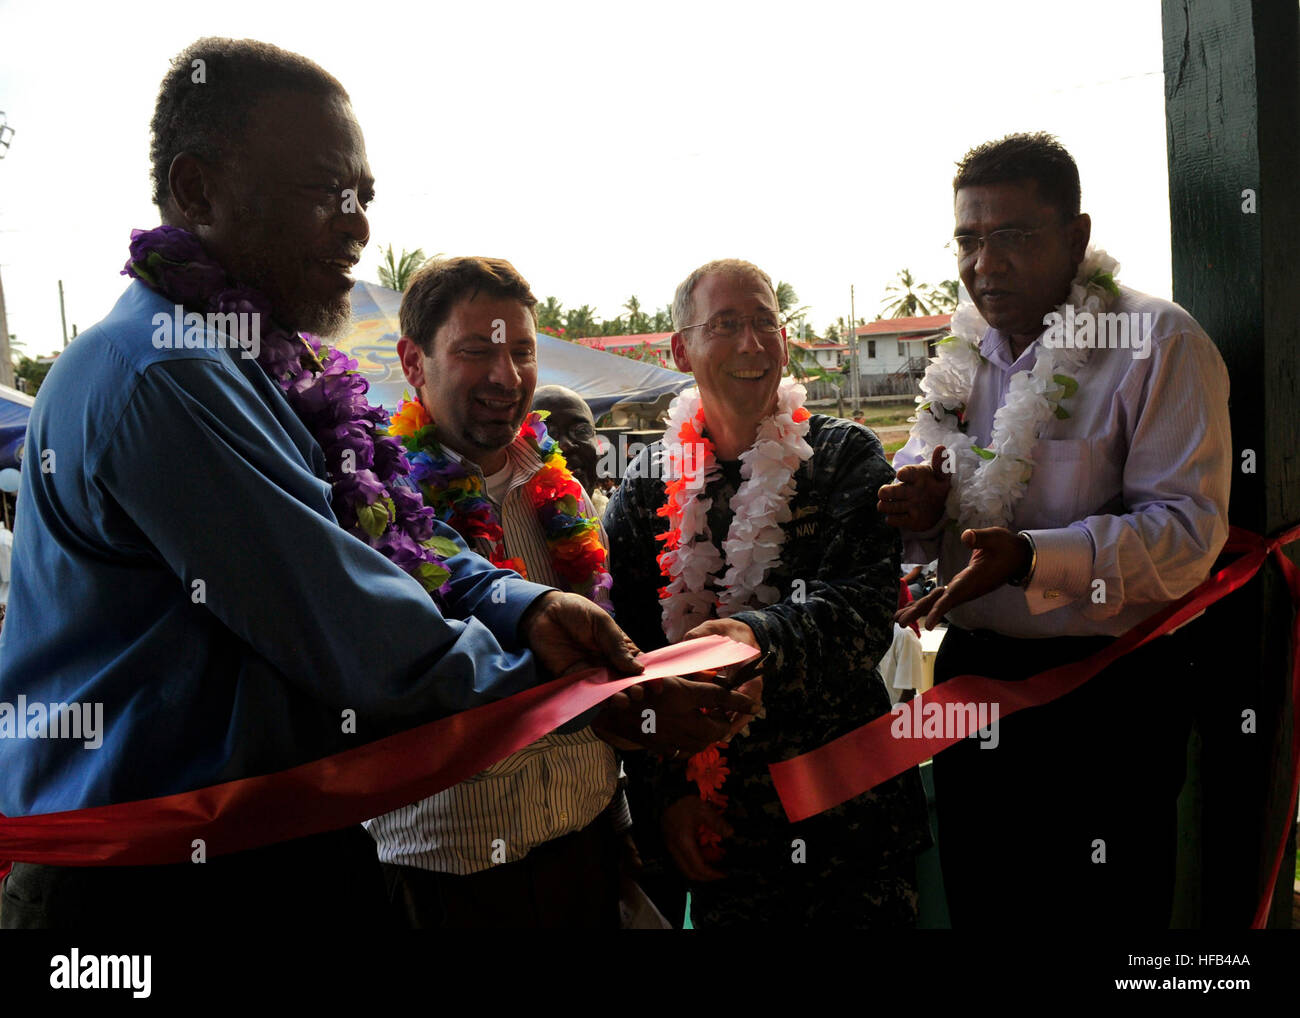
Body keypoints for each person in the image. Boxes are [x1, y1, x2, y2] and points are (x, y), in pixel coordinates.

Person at [0, 38, 745, 930]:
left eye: (366, 199)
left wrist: (526, 609)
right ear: (196, 190)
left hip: (274, 851)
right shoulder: (165, 374)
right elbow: (351, 626)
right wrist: (593, 692)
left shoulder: (262, 368)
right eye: (325, 193)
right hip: (151, 883)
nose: (358, 227)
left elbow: (394, 543)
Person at [881, 132, 1232, 928]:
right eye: (969, 240)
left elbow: (1187, 534)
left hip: (1107, 690)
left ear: (1076, 237)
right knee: (985, 898)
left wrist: (1032, 557)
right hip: (972, 678)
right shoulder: (961, 354)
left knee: (1101, 910)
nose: (984, 264)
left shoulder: (1157, 342)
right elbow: (922, 469)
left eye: (1012, 236)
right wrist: (920, 505)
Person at [368, 258, 718, 927]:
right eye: (476, 351)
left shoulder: (565, 492)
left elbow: (597, 668)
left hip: (585, 848)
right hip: (451, 872)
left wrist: (617, 821)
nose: (506, 376)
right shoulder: (378, 509)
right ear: (414, 362)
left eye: (522, 352)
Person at [605, 258, 933, 927]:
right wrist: (669, 795)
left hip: (848, 815)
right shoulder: (643, 488)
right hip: (725, 833)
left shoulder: (843, 457)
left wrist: (758, 637)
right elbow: (630, 658)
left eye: (764, 322)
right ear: (680, 349)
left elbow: (866, 609)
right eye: (726, 325)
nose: (753, 344)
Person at [531, 385, 601, 497]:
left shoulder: (621, 512)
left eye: (581, 430)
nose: (565, 445)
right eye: (547, 433)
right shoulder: (502, 513)